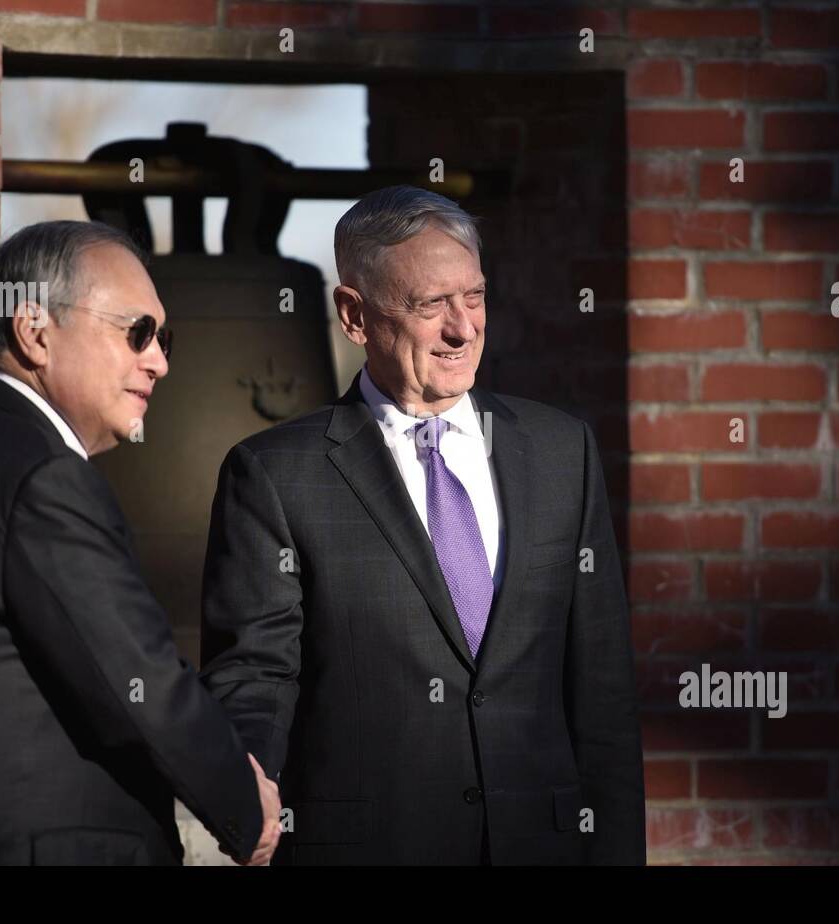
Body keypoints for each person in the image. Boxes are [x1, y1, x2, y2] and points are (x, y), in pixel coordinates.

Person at [200, 187, 645, 865]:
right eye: (431, 305)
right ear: (353, 315)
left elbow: (603, 695)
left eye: (474, 297)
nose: (462, 328)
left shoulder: (562, 452)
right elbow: (256, 673)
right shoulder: (274, 475)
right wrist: (249, 777)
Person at [0, 221, 279, 866]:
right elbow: (137, 679)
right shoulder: (41, 471)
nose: (160, 361)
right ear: (35, 332)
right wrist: (247, 807)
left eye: (164, 339)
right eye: (137, 332)